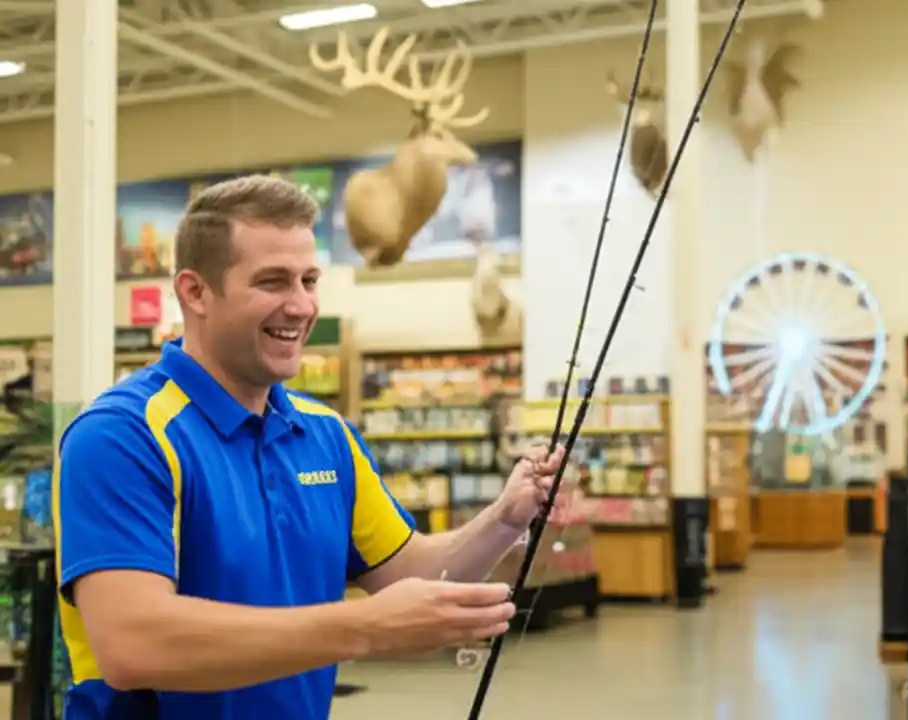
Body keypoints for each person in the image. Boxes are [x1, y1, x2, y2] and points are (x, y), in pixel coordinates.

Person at [54, 174, 566, 719]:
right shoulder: (122, 435)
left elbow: (414, 575)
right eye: (272, 282)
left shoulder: (327, 436)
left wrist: (507, 517)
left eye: (309, 280)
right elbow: (134, 645)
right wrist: (365, 628)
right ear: (194, 292)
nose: (300, 306)